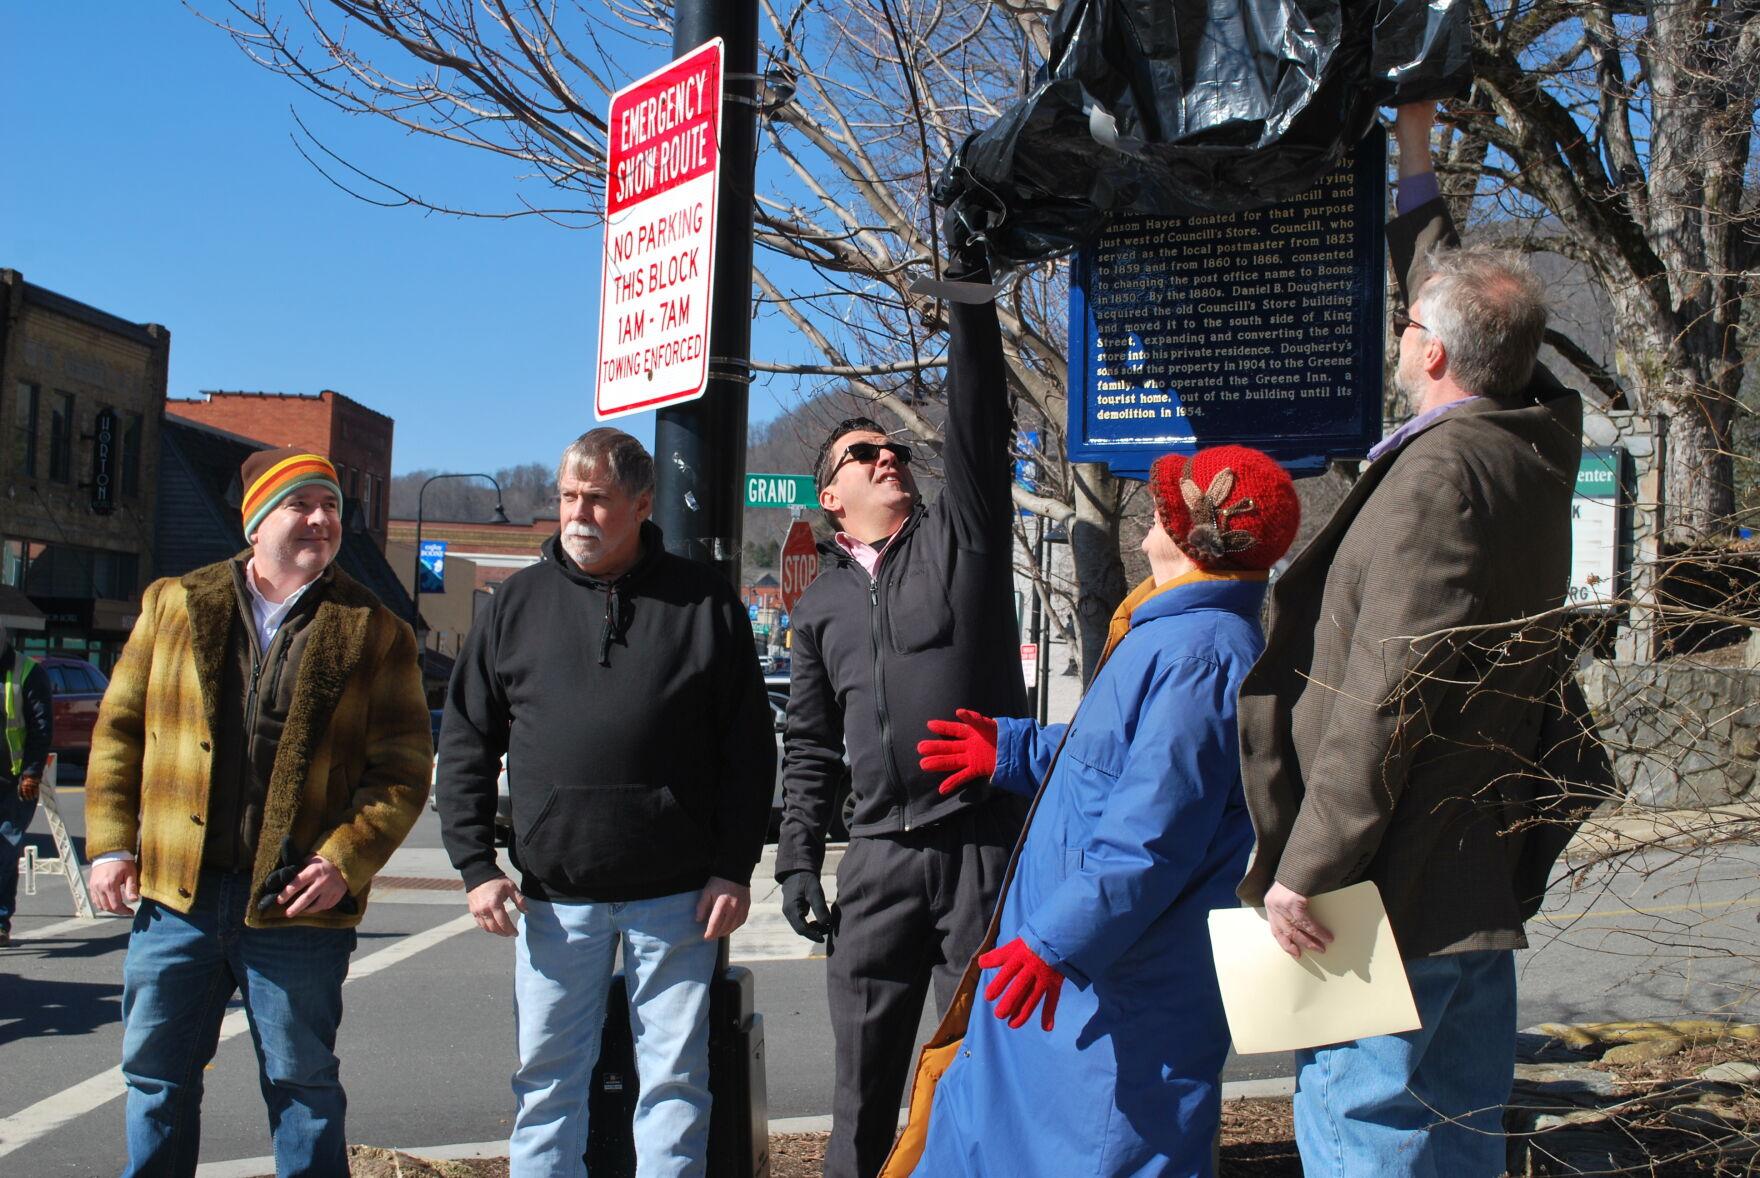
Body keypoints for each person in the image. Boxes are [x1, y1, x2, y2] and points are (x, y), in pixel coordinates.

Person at [1235, 102, 1613, 1176]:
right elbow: (1459, 292)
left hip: (1384, 898)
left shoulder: (1436, 479)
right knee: (1455, 1143)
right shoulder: (1531, 437)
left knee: (1367, 1137)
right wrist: (1410, 154)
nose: (1396, 329)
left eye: (1408, 324)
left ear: (1433, 350)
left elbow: (1385, 695)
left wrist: (1307, 868)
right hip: (1470, 891)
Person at [908, 445, 1300, 1178]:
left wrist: (1055, 942)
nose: (1147, 523)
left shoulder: (1200, 654)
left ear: (1185, 532)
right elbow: (1116, 761)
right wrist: (1015, 752)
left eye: (1160, 509)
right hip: (1084, 997)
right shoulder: (1176, 633)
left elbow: (1150, 839)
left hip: (1111, 1006)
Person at [85, 447, 433, 1177]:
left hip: (294, 905)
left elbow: (402, 771)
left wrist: (344, 862)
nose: (321, 520)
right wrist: (111, 846)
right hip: (176, 896)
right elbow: (118, 729)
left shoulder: (374, 630)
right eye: (302, 504)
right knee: (157, 1081)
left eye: (332, 506)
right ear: (257, 521)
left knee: (303, 1086)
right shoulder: (175, 603)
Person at [436, 428, 774, 1178]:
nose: (578, 513)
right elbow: (466, 741)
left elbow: (749, 751)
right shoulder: (512, 606)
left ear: (642, 505)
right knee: (547, 1083)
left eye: (597, 499)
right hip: (556, 901)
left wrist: (732, 867)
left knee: (677, 1085)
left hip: (678, 898)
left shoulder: (704, 604)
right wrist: (473, 864)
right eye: (567, 496)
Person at [775, 260, 1030, 1178]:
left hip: (980, 849)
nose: (890, 457)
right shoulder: (821, 608)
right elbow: (808, 745)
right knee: (863, 1094)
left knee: (991, 1074)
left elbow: (976, 427)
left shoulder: (960, 539)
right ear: (829, 498)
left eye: (897, 451)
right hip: (878, 859)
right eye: (863, 455)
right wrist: (799, 856)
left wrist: (971, 303)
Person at [0, 621, 52, 947]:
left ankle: (0, 919)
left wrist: (32, 772)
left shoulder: (28, 672)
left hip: (14, 780)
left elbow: (41, 728)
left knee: (3, 850)